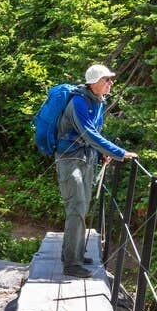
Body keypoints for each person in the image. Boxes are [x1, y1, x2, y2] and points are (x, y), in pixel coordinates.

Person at [54, 64, 137, 278]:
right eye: (106, 80)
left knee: (83, 204)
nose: (110, 83)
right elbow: (89, 133)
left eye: (110, 79)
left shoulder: (99, 101)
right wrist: (119, 152)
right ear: (94, 83)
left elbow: (94, 133)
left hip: (87, 158)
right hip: (70, 159)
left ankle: (74, 254)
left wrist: (102, 153)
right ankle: (72, 264)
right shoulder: (78, 102)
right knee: (76, 207)